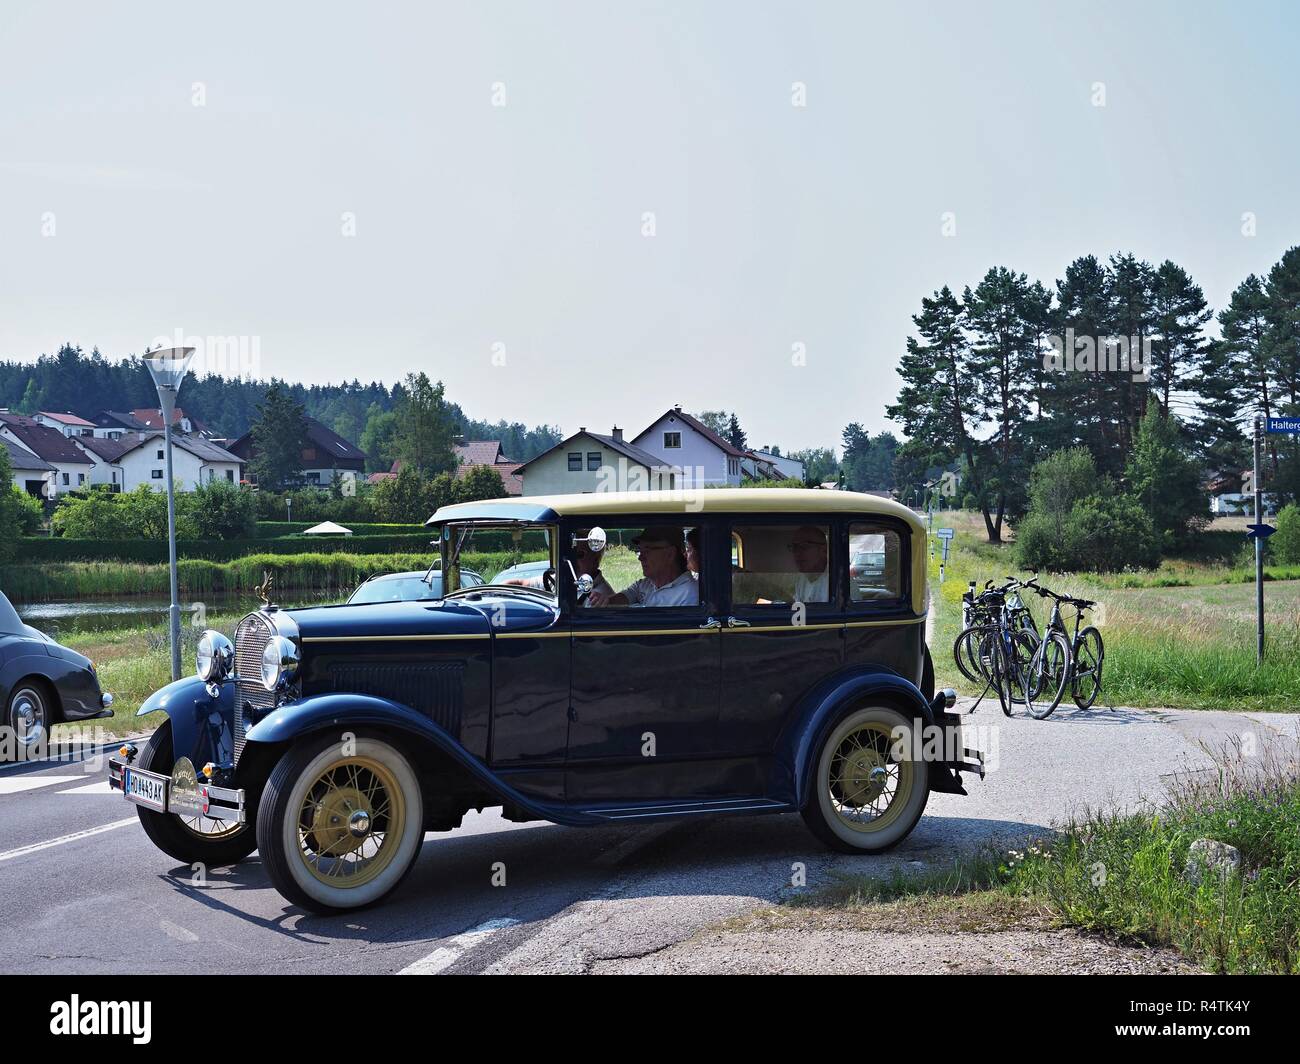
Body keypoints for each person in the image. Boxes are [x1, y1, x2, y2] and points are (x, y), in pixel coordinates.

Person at [587, 525, 698, 607]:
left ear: (670, 554)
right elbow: (626, 596)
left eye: (647, 550)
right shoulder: (646, 584)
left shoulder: (689, 593)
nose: (640, 558)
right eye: (640, 551)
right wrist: (604, 600)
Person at [789, 525, 829, 603]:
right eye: (794, 547)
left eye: (804, 546)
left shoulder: (838, 583)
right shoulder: (802, 578)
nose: (797, 553)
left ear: (823, 550)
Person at [574, 531, 615, 605]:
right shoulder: (577, 584)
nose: (573, 561)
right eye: (569, 553)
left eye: (579, 554)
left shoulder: (598, 597)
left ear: (595, 558)